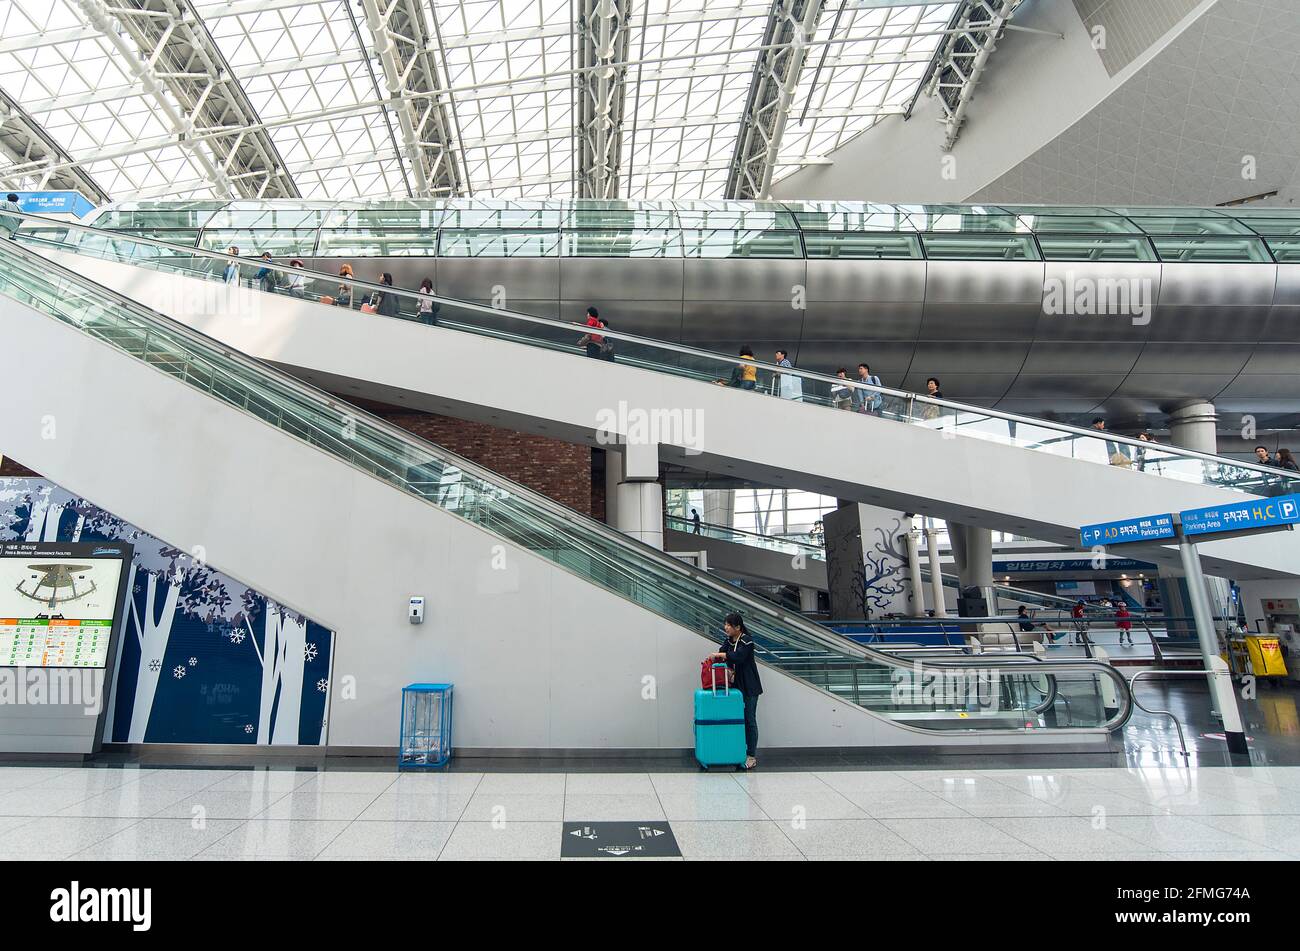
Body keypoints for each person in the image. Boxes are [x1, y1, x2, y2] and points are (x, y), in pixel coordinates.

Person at [709, 612, 762, 770]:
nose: (725, 627)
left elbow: (738, 657)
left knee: (749, 720)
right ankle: (738, 751)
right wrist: (721, 656)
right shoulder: (728, 640)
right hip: (735, 686)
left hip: (749, 686)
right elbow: (723, 653)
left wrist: (721, 655)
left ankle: (751, 755)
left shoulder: (747, 641)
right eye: (725, 624)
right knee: (737, 720)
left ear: (738, 627)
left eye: (728, 625)